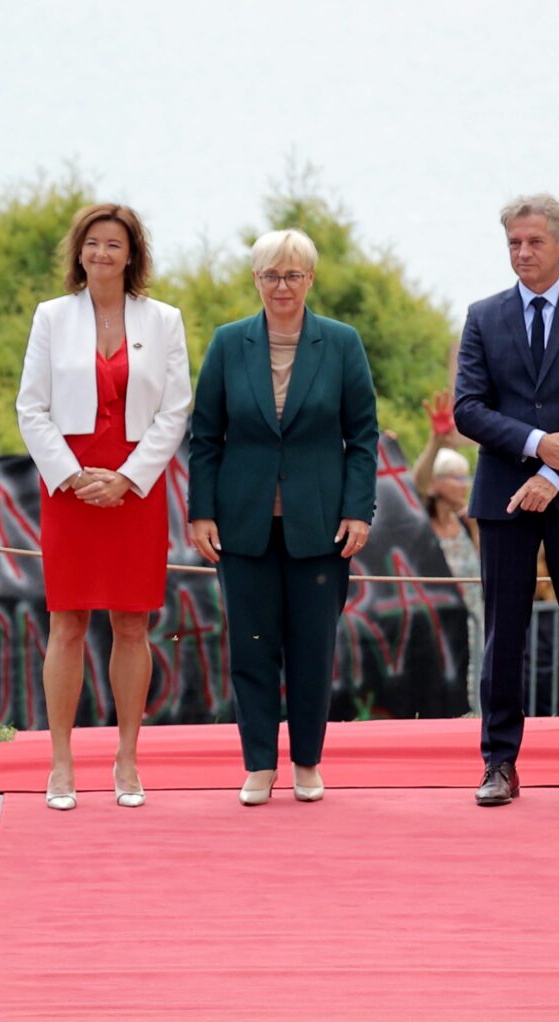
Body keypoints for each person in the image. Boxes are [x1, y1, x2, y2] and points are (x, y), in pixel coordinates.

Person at [188, 228, 377, 804]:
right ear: (256, 279)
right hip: (241, 523)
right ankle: (259, 765)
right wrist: (201, 512)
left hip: (320, 525)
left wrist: (358, 511)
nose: (282, 286)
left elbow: (362, 437)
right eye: (271, 275)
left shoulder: (340, 343)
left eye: (293, 274)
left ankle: (308, 762)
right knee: (251, 647)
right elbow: (205, 437)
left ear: (310, 279)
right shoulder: (228, 343)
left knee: (312, 647)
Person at [453, 193, 559, 806]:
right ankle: (499, 762)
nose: (522, 252)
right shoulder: (483, 316)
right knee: (504, 632)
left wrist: (553, 473)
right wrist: (536, 444)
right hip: (503, 496)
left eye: (533, 241)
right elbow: (467, 408)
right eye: (513, 243)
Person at [16, 203, 192, 811]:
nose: (101, 253)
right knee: (67, 622)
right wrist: (69, 475)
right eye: (92, 243)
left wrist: (128, 477)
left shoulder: (164, 319)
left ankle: (127, 758)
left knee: (132, 624)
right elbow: (30, 407)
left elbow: (175, 409)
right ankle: (61, 762)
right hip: (69, 485)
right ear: (79, 251)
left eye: (114, 244)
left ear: (131, 254)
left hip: (135, 486)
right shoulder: (51, 316)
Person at [411, 411, 483, 715]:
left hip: (471, 625)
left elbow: (484, 569)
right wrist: (436, 442)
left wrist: (477, 528)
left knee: (472, 697)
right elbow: (417, 484)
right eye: (457, 478)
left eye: (466, 477)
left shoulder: (467, 523)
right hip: (432, 628)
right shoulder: (421, 524)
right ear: (438, 484)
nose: (464, 485)